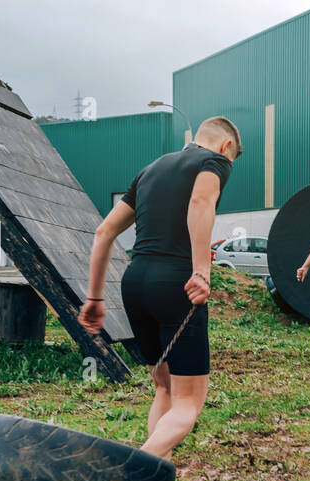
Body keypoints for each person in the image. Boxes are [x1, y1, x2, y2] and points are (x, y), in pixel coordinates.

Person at [78, 116, 242, 462]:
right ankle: (133, 470)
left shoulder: (150, 169)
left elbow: (103, 232)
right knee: (189, 402)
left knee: (164, 388)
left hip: (135, 284)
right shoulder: (214, 162)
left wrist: (94, 298)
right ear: (227, 146)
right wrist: (201, 271)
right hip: (176, 285)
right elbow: (200, 203)